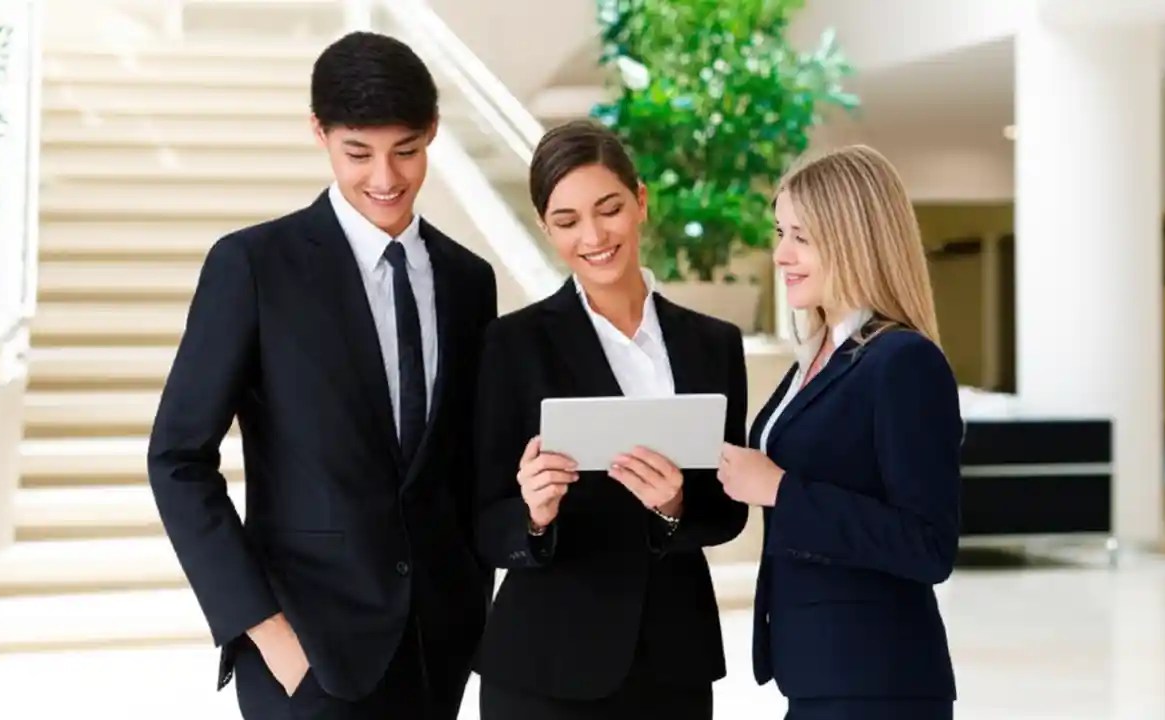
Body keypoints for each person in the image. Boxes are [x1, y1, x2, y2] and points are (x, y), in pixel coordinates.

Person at [147, 31, 497, 720]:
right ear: (320, 133)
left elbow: (458, 463)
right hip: (306, 657)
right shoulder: (254, 267)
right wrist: (263, 629)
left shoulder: (468, 280)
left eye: (406, 150)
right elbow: (177, 458)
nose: (385, 178)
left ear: (433, 130)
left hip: (437, 651)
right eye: (358, 153)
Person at [471, 120, 749, 720]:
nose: (594, 236)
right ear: (546, 228)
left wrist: (674, 508)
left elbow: (728, 511)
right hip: (544, 670)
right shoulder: (511, 346)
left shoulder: (712, 345)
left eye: (610, 209)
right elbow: (483, 522)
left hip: (672, 665)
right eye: (567, 221)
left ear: (640, 201)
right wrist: (534, 515)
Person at [718, 145, 961, 720]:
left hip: (879, 682)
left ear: (854, 239)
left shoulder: (903, 361)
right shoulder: (817, 355)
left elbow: (928, 546)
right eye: (780, 233)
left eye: (801, 237)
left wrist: (781, 490)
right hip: (819, 671)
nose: (781, 254)